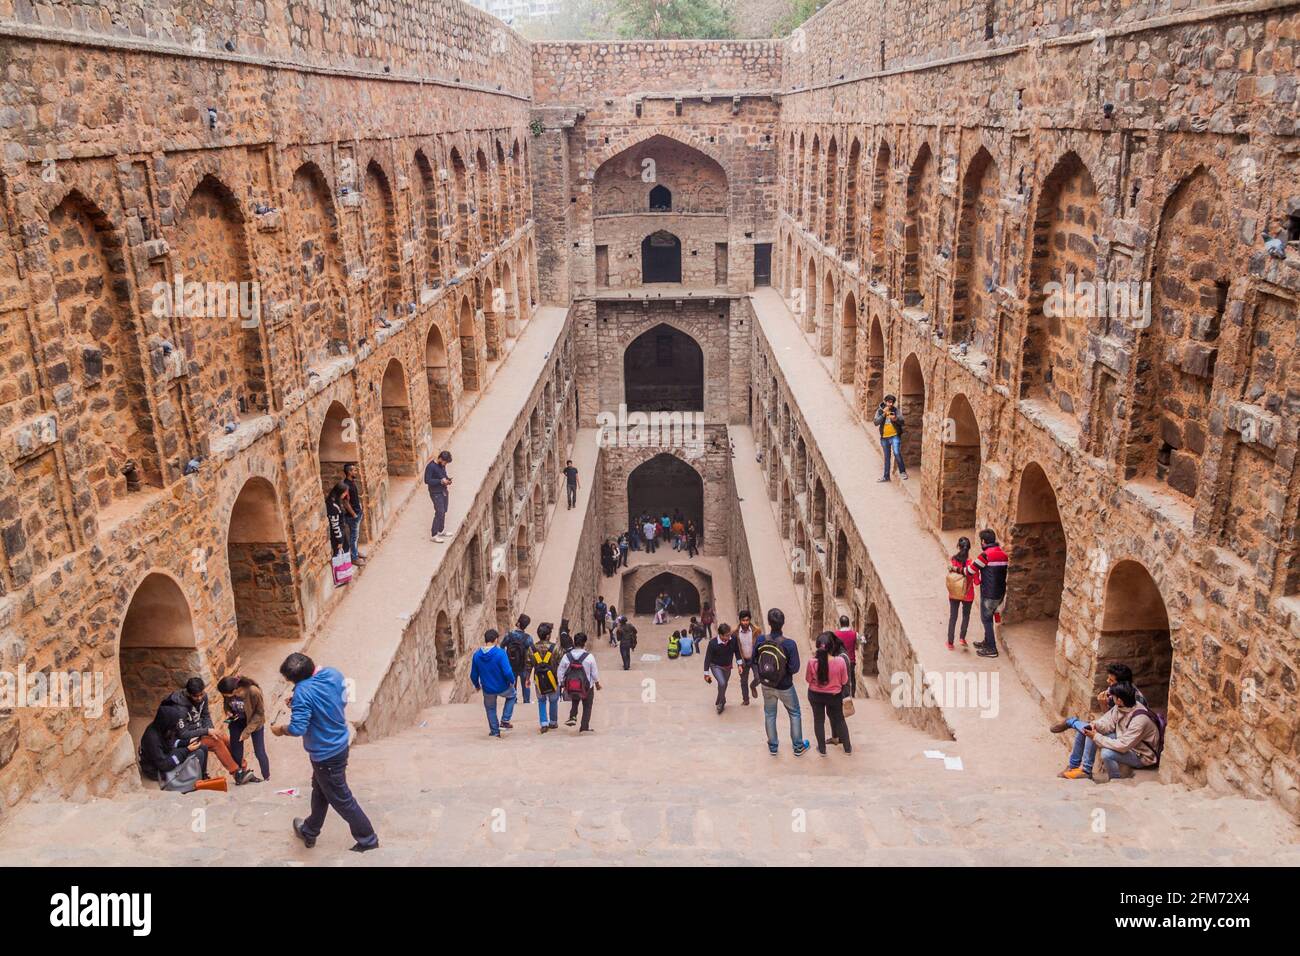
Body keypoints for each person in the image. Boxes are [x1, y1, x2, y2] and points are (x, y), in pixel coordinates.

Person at [273, 653, 379, 852]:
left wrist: (280, 730)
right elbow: (339, 701)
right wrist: (301, 703)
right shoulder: (333, 674)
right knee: (321, 789)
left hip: (325, 753)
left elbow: (298, 728)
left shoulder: (303, 692)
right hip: (339, 743)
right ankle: (310, 830)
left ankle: (368, 840)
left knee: (342, 799)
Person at [1053, 682, 1160, 781]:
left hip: (1141, 755)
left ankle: (1115, 779)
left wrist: (1096, 736)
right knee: (1088, 730)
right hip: (1128, 741)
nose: (1109, 698)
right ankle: (1081, 769)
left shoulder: (1140, 720)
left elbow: (1123, 745)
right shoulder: (1122, 706)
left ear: (1119, 700)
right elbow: (1107, 723)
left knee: (1106, 753)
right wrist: (1095, 725)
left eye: (1112, 696)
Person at [158, 677, 252, 784]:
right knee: (215, 742)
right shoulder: (179, 708)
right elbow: (183, 733)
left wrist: (211, 730)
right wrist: (207, 732)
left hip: (197, 731)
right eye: (195, 696)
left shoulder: (203, 697)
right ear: (188, 693)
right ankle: (236, 774)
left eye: (201, 694)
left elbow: (205, 715)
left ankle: (243, 768)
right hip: (182, 740)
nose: (199, 698)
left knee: (223, 737)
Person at [754, 608, 809, 756]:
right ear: (783, 623)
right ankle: (798, 746)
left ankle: (773, 746)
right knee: (794, 713)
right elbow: (795, 668)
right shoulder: (789, 644)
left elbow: (754, 660)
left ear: (769, 623)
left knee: (770, 714)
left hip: (767, 684)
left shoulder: (761, 640)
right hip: (785, 685)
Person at [806, 632, 852, 755]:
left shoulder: (812, 662)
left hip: (816, 695)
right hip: (834, 696)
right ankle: (847, 748)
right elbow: (844, 681)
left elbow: (808, 680)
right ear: (832, 646)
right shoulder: (840, 661)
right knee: (840, 719)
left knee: (819, 721)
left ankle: (822, 749)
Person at [217, 674, 269, 782]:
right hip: (237, 720)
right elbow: (226, 704)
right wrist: (228, 711)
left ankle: (267, 777)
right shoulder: (228, 692)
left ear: (236, 689)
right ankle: (241, 776)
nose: (226, 697)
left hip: (254, 722)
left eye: (228, 695)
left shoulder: (253, 691)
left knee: (259, 752)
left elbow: (259, 714)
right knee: (236, 751)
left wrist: (246, 732)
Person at [965, 528, 1008, 658]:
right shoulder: (1003, 555)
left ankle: (992, 648)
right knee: (989, 618)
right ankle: (987, 642)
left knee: (986, 620)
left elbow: (970, 571)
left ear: (983, 541)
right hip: (999, 592)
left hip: (989, 592)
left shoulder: (985, 556)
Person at [469, 628, 516, 736]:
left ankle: (495, 732)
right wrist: (512, 681)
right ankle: (505, 720)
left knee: (490, 709)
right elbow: (507, 671)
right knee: (512, 696)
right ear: (495, 640)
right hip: (502, 686)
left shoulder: (477, 655)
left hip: (487, 688)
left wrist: (477, 685)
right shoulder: (500, 653)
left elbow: (473, 674)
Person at [557, 632, 601, 732]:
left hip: (572, 685)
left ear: (574, 642)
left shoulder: (567, 656)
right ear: (584, 643)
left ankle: (573, 716)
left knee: (575, 698)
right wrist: (597, 684)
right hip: (587, 686)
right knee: (587, 706)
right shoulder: (589, 657)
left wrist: (562, 683)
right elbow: (594, 673)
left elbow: (560, 671)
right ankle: (584, 726)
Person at [946, 536, 978, 649]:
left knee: (953, 617)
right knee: (966, 616)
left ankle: (950, 643)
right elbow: (977, 582)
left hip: (954, 592)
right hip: (967, 594)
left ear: (958, 547)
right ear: (969, 548)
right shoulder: (972, 564)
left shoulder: (953, 560)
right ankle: (962, 638)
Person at [531, 622, 561, 733]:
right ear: (548, 635)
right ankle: (553, 722)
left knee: (541, 700)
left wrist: (526, 679)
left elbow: (529, 664)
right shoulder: (555, 648)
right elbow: (560, 662)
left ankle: (544, 722)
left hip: (538, 679)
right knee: (553, 700)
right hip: (553, 678)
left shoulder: (532, 648)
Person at [703, 623, 739, 713]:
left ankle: (720, 698)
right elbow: (707, 658)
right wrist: (706, 673)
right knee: (722, 683)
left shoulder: (733, 639)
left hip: (727, 667)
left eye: (729, 634)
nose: (729, 637)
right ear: (720, 635)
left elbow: (737, 651)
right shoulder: (712, 643)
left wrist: (740, 665)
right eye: (727, 635)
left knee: (724, 684)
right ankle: (721, 703)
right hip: (716, 666)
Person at [873, 394, 909, 482]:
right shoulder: (880, 411)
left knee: (896, 452)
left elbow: (902, 421)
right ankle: (886, 476)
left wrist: (895, 419)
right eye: (888, 402)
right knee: (887, 457)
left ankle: (902, 472)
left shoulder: (895, 411)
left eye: (892, 403)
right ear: (885, 402)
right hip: (884, 437)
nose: (890, 404)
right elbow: (876, 422)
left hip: (894, 436)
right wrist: (884, 414)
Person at [502, 615, 535, 705]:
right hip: (523, 665)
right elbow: (533, 651)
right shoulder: (528, 638)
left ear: (518, 623)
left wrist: (505, 659)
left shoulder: (509, 635)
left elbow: (501, 646)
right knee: (526, 683)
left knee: (512, 684)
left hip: (511, 664)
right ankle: (526, 701)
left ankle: (513, 700)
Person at [424, 450, 454, 543]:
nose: (445, 464)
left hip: (443, 490)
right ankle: (434, 534)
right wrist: (440, 481)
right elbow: (427, 480)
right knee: (439, 511)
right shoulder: (431, 467)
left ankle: (440, 530)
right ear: (440, 459)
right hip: (435, 492)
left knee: (444, 510)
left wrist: (448, 480)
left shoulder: (442, 466)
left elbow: (443, 475)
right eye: (445, 462)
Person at [341, 463, 366, 566]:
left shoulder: (352, 482)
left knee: (355, 536)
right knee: (353, 537)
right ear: (349, 472)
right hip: (353, 516)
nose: (356, 472)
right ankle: (354, 558)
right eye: (354, 470)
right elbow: (345, 502)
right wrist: (354, 514)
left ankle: (356, 552)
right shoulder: (346, 485)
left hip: (357, 513)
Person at [735, 609, 760, 705]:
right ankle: (746, 699)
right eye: (743, 620)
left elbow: (760, 645)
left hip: (754, 659)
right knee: (743, 681)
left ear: (750, 620)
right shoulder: (735, 633)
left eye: (747, 620)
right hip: (743, 660)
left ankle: (753, 686)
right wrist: (739, 663)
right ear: (740, 620)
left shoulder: (756, 631)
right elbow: (735, 649)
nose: (745, 622)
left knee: (758, 678)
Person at [833, 615, 858, 698]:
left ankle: (840, 694)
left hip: (839, 660)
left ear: (840, 623)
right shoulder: (854, 634)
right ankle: (852, 695)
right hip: (850, 659)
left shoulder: (835, 634)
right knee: (851, 678)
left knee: (840, 678)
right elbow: (863, 641)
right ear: (848, 623)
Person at [325, 482, 351, 562]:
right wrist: (340, 540)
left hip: (341, 532)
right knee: (339, 556)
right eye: (344, 493)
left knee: (345, 552)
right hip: (337, 536)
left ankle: (346, 572)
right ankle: (341, 573)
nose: (345, 495)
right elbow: (335, 525)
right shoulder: (333, 506)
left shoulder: (337, 500)